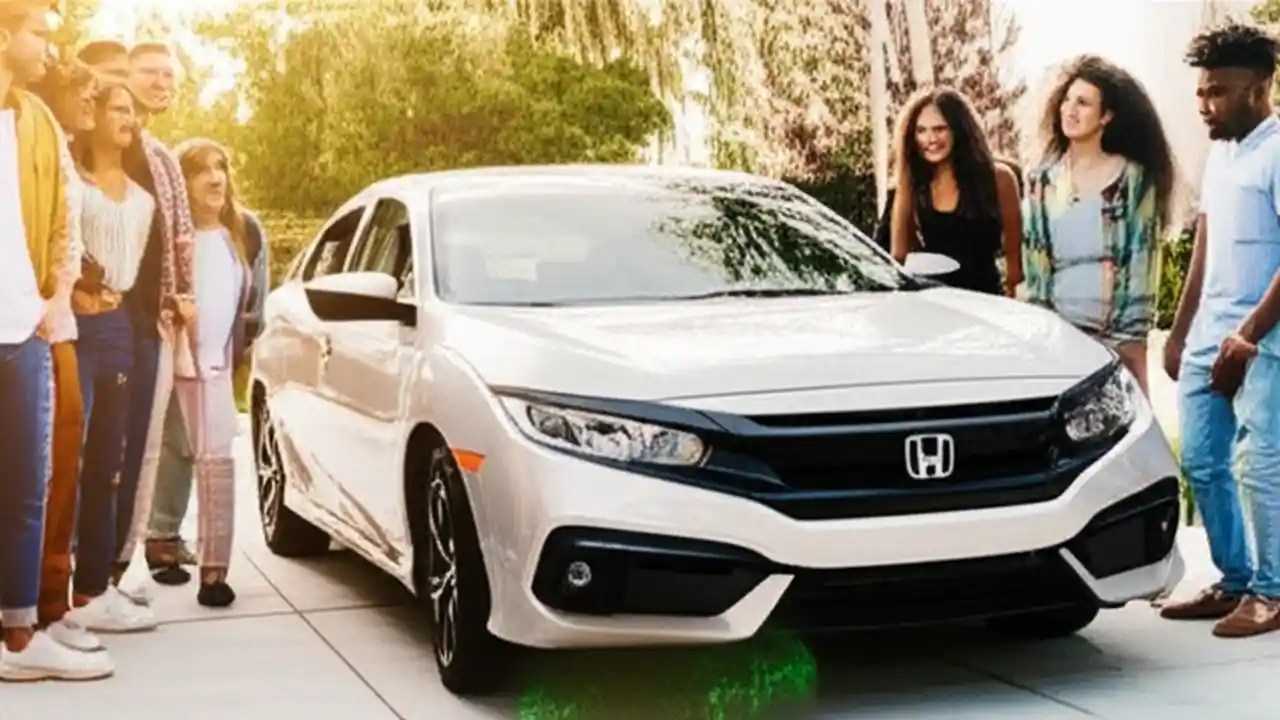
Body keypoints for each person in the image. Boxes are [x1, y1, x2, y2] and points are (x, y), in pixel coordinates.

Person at [0, 0, 112, 681]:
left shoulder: (35, 120)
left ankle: (17, 635)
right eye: (39, 30)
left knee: (25, 491)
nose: (51, 42)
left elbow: (64, 221)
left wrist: (49, 302)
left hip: (22, 332)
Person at [1159, 22, 1280, 638]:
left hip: (1267, 340)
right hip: (1212, 331)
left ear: (1261, 88)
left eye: (1220, 92)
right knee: (1204, 461)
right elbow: (1204, 242)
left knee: (1259, 465)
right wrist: (1182, 331)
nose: (1206, 104)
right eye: (1202, 92)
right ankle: (1234, 579)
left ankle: (1272, 590)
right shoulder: (1222, 152)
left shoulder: (1278, 150)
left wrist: (1250, 334)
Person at [83, 41, 195, 595]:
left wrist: (177, 305)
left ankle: (113, 568)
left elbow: (179, 243)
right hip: (86, 318)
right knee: (89, 452)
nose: (155, 83)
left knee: (133, 449)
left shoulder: (160, 160)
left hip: (147, 320)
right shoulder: (76, 151)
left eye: (165, 74)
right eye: (143, 73)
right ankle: (80, 576)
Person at [62, 81, 159, 634]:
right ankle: (48, 589)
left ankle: (93, 589)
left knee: (108, 466)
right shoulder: (71, 184)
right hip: (74, 326)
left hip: (119, 325)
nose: (129, 117)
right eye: (118, 108)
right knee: (64, 462)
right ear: (92, 114)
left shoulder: (145, 198)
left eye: (133, 111)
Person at [1021, 54, 1177, 395]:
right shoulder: (1040, 181)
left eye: (1083, 103)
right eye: (1067, 100)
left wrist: (1129, 341)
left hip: (1117, 337)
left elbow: (1141, 260)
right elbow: (1037, 267)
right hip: (1059, 338)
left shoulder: (1132, 178)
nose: (1070, 110)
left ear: (1106, 116)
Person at [144, 138, 256, 607]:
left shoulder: (239, 237)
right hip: (176, 367)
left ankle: (215, 573)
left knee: (218, 464)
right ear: (181, 184)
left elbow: (243, 308)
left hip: (214, 369)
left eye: (221, 167)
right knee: (154, 460)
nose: (215, 178)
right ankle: (121, 562)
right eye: (201, 170)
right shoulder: (175, 240)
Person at [28, 55, 102, 651]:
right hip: (39, 328)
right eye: (83, 93)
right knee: (43, 473)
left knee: (65, 467)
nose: (91, 105)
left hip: (64, 323)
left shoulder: (61, 152)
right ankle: (31, 612)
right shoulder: (32, 143)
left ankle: (51, 603)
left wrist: (79, 285)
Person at [872, 85, 1023, 296]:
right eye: (921, 130)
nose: (930, 139)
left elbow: (1015, 267)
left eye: (939, 129)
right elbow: (894, 257)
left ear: (959, 130)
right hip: (931, 306)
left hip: (987, 304)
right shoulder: (908, 187)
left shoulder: (999, 179)